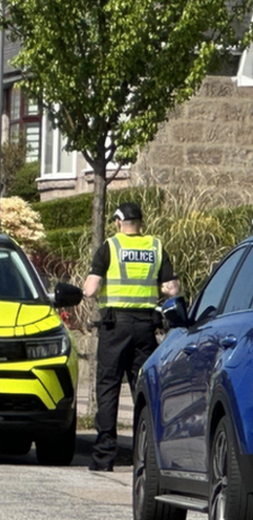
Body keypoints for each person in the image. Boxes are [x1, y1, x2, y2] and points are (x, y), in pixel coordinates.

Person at [83, 202, 179, 472]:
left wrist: (84, 289)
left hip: (115, 328)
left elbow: (91, 289)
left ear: (117, 222)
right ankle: (147, 454)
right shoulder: (156, 247)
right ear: (141, 222)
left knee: (108, 388)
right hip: (146, 328)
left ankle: (104, 457)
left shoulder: (110, 247)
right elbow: (171, 288)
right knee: (145, 391)